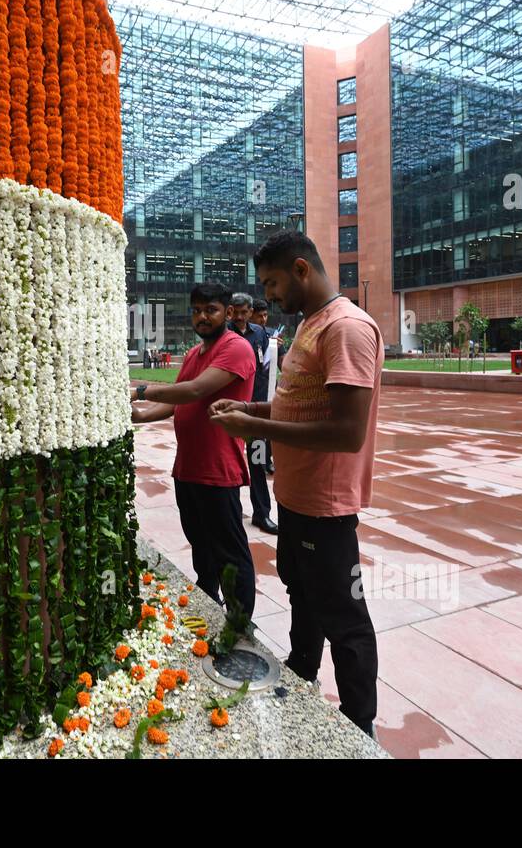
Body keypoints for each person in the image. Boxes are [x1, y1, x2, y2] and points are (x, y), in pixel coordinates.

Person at [209, 231, 383, 739]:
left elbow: (347, 433)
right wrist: (253, 409)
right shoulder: (311, 324)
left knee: (344, 619)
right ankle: (302, 679)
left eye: (273, 282)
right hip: (297, 498)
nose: (269, 296)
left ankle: (358, 730)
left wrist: (257, 429)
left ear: (302, 269)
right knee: (303, 597)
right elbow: (301, 406)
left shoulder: (346, 328)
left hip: (326, 507)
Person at [129, 282, 257, 618]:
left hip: (218, 469)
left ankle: (240, 623)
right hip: (187, 468)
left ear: (228, 313)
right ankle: (208, 604)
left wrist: (140, 391)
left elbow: (196, 391)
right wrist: (138, 416)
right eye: (197, 310)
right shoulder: (193, 354)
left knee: (230, 552)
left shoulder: (237, 347)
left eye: (210, 310)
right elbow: (178, 404)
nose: (202, 317)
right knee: (202, 548)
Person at [227, 292, 275, 534]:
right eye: (235, 311)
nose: (240, 316)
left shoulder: (259, 333)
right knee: (229, 461)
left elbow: (265, 366)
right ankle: (230, 513)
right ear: (230, 311)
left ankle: (262, 513)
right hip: (229, 407)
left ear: (249, 312)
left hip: (254, 408)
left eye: (244, 311)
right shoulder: (223, 333)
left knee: (257, 460)